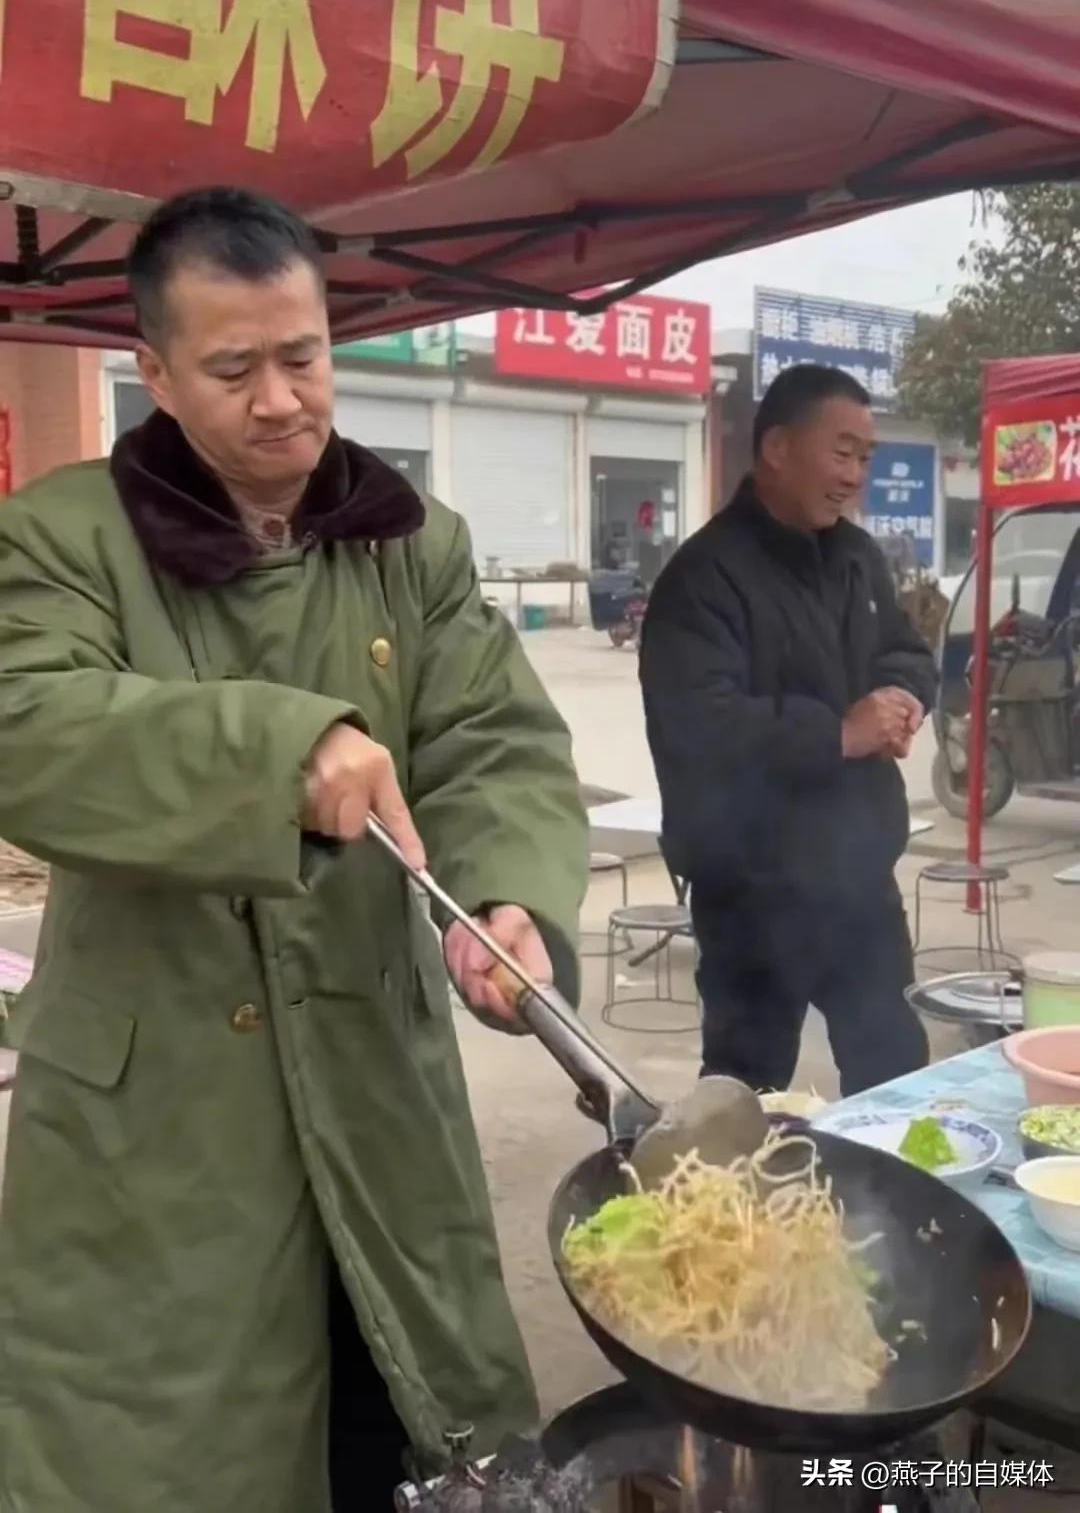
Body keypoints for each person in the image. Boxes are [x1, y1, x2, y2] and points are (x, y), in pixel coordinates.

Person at [0, 188, 588, 1513]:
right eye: (232, 368)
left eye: (302, 354)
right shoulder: (63, 535)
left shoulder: (409, 542)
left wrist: (509, 890)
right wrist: (280, 749)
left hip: (378, 1066)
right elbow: (28, 722)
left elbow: (490, 734)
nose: (279, 398)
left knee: (397, 1423)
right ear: (151, 370)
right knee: (177, 1446)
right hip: (159, 1112)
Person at [640, 364, 934, 1098]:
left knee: (896, 1080)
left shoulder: (859, 560)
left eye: (865, 457)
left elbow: (904, 649)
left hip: (860, 884)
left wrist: (902, 695)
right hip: (752, 895)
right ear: (777, 448)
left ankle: (895, 1211)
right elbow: (700, 727)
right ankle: (727, 1215)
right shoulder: (703, 578)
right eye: (842, 452)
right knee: (743, 1098)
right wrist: (839, 732)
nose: (855, 476)